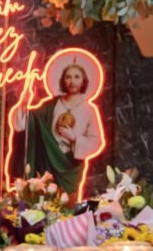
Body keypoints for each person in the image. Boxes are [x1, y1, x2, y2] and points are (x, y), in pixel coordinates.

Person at [10, 58, 103, 198]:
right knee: (44, 207)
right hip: (46, 164)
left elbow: (96, 141)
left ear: (84, 81)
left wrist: (74, 138)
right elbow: (28, 124)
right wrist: (23, 104)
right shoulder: (50, 106)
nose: (72, 81)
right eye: (68, 77)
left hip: (69, 167)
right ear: (62, 80)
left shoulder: (89, 110)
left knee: (67, 210)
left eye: (77, 77)